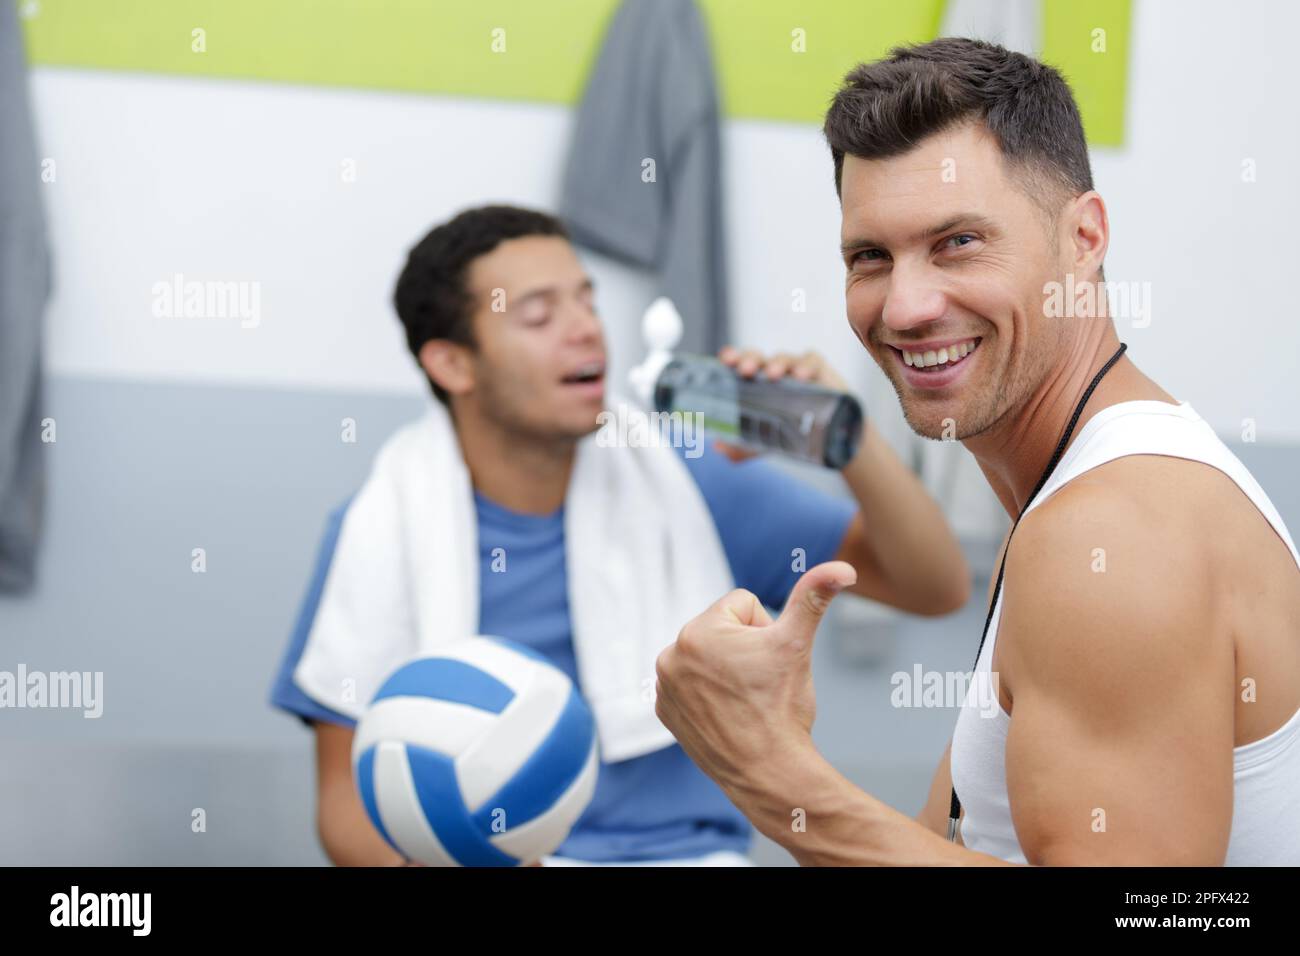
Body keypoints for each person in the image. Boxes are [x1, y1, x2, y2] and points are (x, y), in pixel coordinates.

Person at [654, 37, 1300, 866]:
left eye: (958, 241)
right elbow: (944, 847)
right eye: (871, 257)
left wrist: (768, 773)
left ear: (1085, 237)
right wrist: (779, 763)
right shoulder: (1066, 501)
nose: (906, 306)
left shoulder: (1110, 535)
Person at [269, 204, 971, 866]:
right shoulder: (383, 529)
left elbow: (933, 585)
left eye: (587, 301)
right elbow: (347, 804)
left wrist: (848, 438)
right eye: (540, 314)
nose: (585, 330)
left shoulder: (682, 479)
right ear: (451, 364)